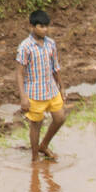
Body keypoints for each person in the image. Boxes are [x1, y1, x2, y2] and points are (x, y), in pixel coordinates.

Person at [16, 10, 68, 162]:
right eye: (41, 26)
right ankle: (34, 157)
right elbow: (19, 73)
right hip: (35, 93)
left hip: (51, 89)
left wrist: (62, 87)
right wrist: (23, 97)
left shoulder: (51, 43)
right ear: (32, 26)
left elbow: (55, 67)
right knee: (36, 125)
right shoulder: (25, 47)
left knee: (60, 118)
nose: (45, 30)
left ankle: (43, 145)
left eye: (47, 27)